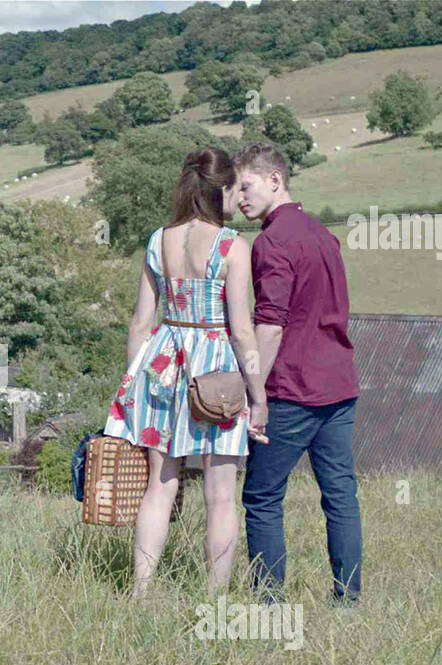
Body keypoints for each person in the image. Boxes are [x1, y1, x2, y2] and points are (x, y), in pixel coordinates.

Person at [103, 147, 268, 599]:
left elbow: (140, 324)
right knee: (219, 495)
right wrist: (259, 397)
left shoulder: (158, 240)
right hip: (215, 374)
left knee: (160, 487)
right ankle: (214, 597)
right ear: (222, 192)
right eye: (235, 190)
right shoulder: (234, 246)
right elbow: (241, 331)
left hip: (162, 365)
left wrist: (133, 385)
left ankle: (140, 591)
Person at [231, 141, 363, 606]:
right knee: (340, 496)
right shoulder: (323, 235)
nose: (239, 198)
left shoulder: (271, 242)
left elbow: (270, 324)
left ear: (274, 180)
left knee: (263, 498)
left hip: (289, 389)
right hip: (339, 384)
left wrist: (256, 395)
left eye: (245, 186)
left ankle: (268, 604)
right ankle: (348, 601)